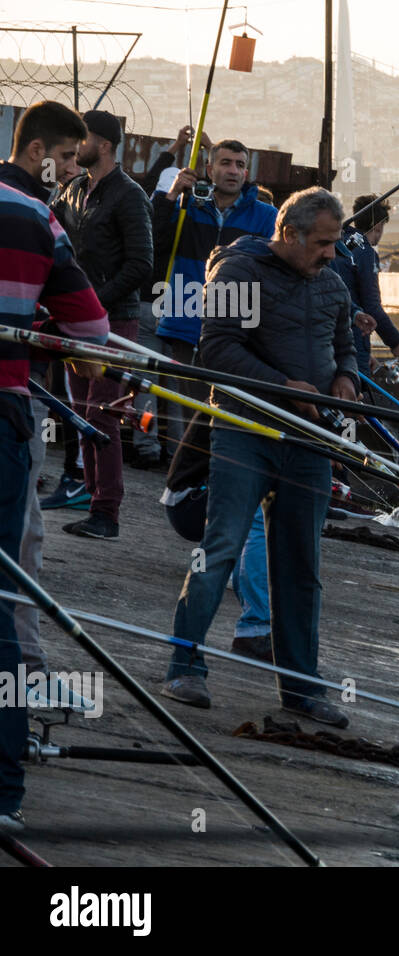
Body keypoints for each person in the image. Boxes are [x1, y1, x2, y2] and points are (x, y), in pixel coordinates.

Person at [161, 187, 360, 725]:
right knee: (221, 546)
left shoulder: (333, 285)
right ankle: (185, 666)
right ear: (288, 233)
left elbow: (346, 344)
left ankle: (301, 689)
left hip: (309, 439)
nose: (330, 254)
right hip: (244, 431)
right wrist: (283, 385)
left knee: (301, 564)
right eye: (321, 243)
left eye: (335, 243)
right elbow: (218, 349)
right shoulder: (238, 273)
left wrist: (345, 377)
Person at [0, 100, 111, 833]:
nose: (72, 173)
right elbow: (93, 330)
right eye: (68, 161)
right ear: (39, 150)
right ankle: (4, 787)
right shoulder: (38, 220)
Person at [50, 110, 153, 540]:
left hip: (115, 320)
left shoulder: (128, 195)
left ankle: (106, 512)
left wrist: (92, 303)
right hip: (78, 319)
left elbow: (142, 264)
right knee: (81, 412)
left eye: (83, 138)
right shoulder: (75, 190)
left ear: (105, 145)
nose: (76, 146)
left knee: (103, 412)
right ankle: (92, 500)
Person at [151, 138, 277, 446]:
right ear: (209, 168)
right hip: (186, 319)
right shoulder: (185, 204)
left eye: (240, 165)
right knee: (190, 409)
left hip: (236, 329)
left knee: (226, 408)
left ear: (247, 173)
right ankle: (187, 479)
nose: (233, 171)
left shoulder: (266, 216)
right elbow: (152, 241)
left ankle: (212, 473)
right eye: (225, 163)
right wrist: (170, 196)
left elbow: (276, 271)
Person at [132, 125, 211, 471]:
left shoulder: (149, 214)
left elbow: (147, 182)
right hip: (179, 307)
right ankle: (180, 452)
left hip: (148, 304)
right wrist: (204, 150)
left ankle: (146, 446)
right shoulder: (192, 216)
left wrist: (178, 145)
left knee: (145, 389)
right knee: (179, 390)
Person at [329, 194, 399, 377]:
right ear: (378, 226)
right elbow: (372, 306)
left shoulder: (338, 243)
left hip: (327, 338)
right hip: (353, 337)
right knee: (355, 392)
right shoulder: (365, 252)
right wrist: (395, 341)